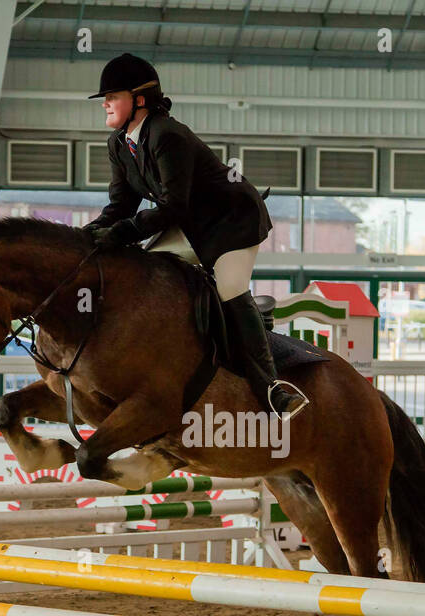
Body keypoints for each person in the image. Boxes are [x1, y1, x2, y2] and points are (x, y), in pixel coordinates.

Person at [83, 53, 309, 420]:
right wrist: (88, 235)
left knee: (229, 289)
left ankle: (272, 390)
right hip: (189, 223)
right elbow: (121, 206)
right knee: (145, 274)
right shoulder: (119, 144)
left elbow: (174, 207)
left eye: (113, 95)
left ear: (140, 99)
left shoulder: (167, 135)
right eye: (105, 97)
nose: (105, 103)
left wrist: (124, 231)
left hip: (233, 223)